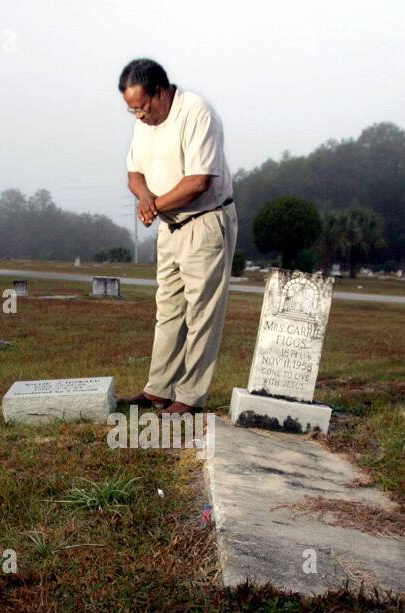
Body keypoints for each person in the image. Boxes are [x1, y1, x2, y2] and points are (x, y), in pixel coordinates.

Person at [117, 58, 236, 415]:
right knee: (168, 311)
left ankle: (190, 397)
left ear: (161, 92)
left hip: (205, 222)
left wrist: (152, 206)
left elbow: (199, 181)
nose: (139, 116)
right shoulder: (144, 124)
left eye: (142, 107)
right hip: (170, 227)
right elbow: (134, 172)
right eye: (131, 110)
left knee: (201, 313)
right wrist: (145, 198)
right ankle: (158, 390)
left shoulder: (197, 113)